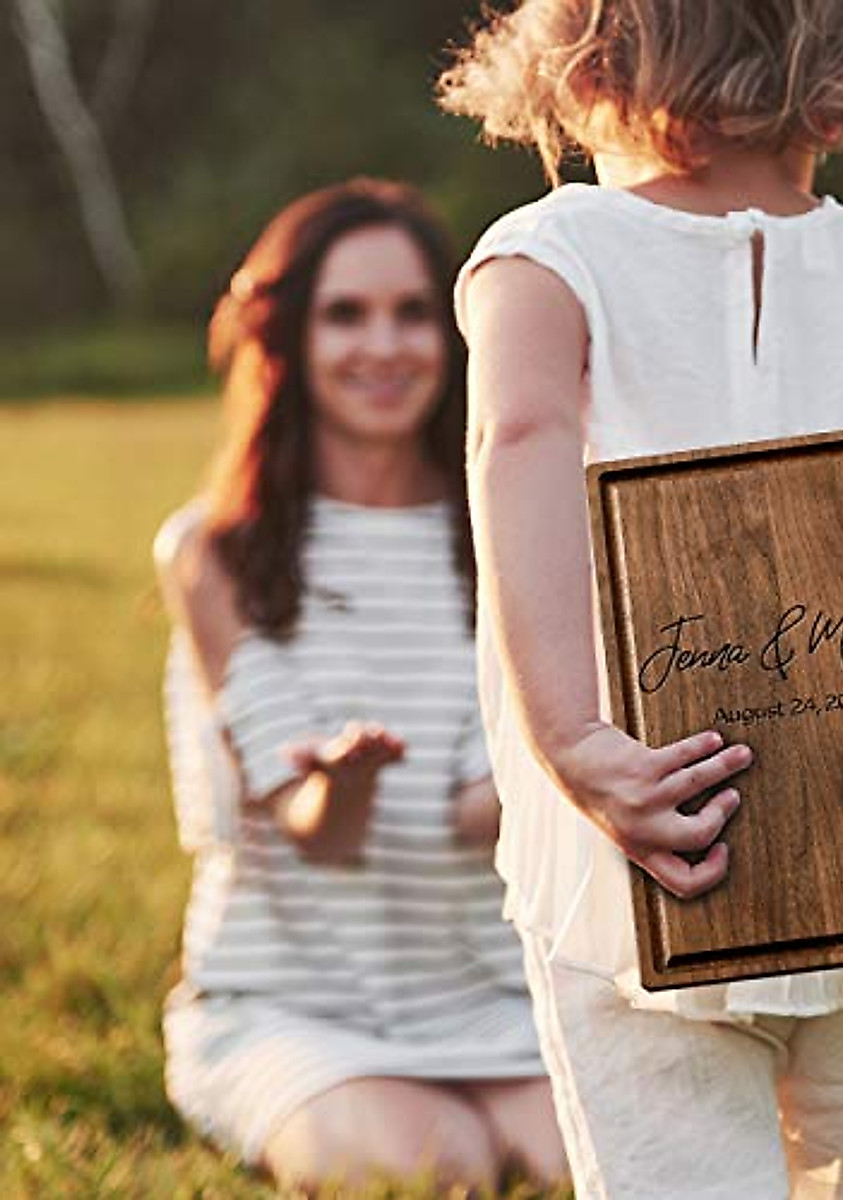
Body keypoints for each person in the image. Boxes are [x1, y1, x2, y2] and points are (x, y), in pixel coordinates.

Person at [439, 3, 843, 1197]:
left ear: (585, 65)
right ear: (842, 80)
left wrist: (575, 738)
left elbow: (518, 443)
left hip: (649, 823)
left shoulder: (548, 255)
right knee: (832, 1172)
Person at [154, 178, 568, 1193]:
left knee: (585, 1165)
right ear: (289, 337)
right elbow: (319, 832)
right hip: (294, 1006)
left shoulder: (511, 533)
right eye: (345, 314)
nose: (383, 346)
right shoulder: (213, 554)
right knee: (438, 1165)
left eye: (412, 313)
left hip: (495, 1000)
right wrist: (345, 780)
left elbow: (482, 813)